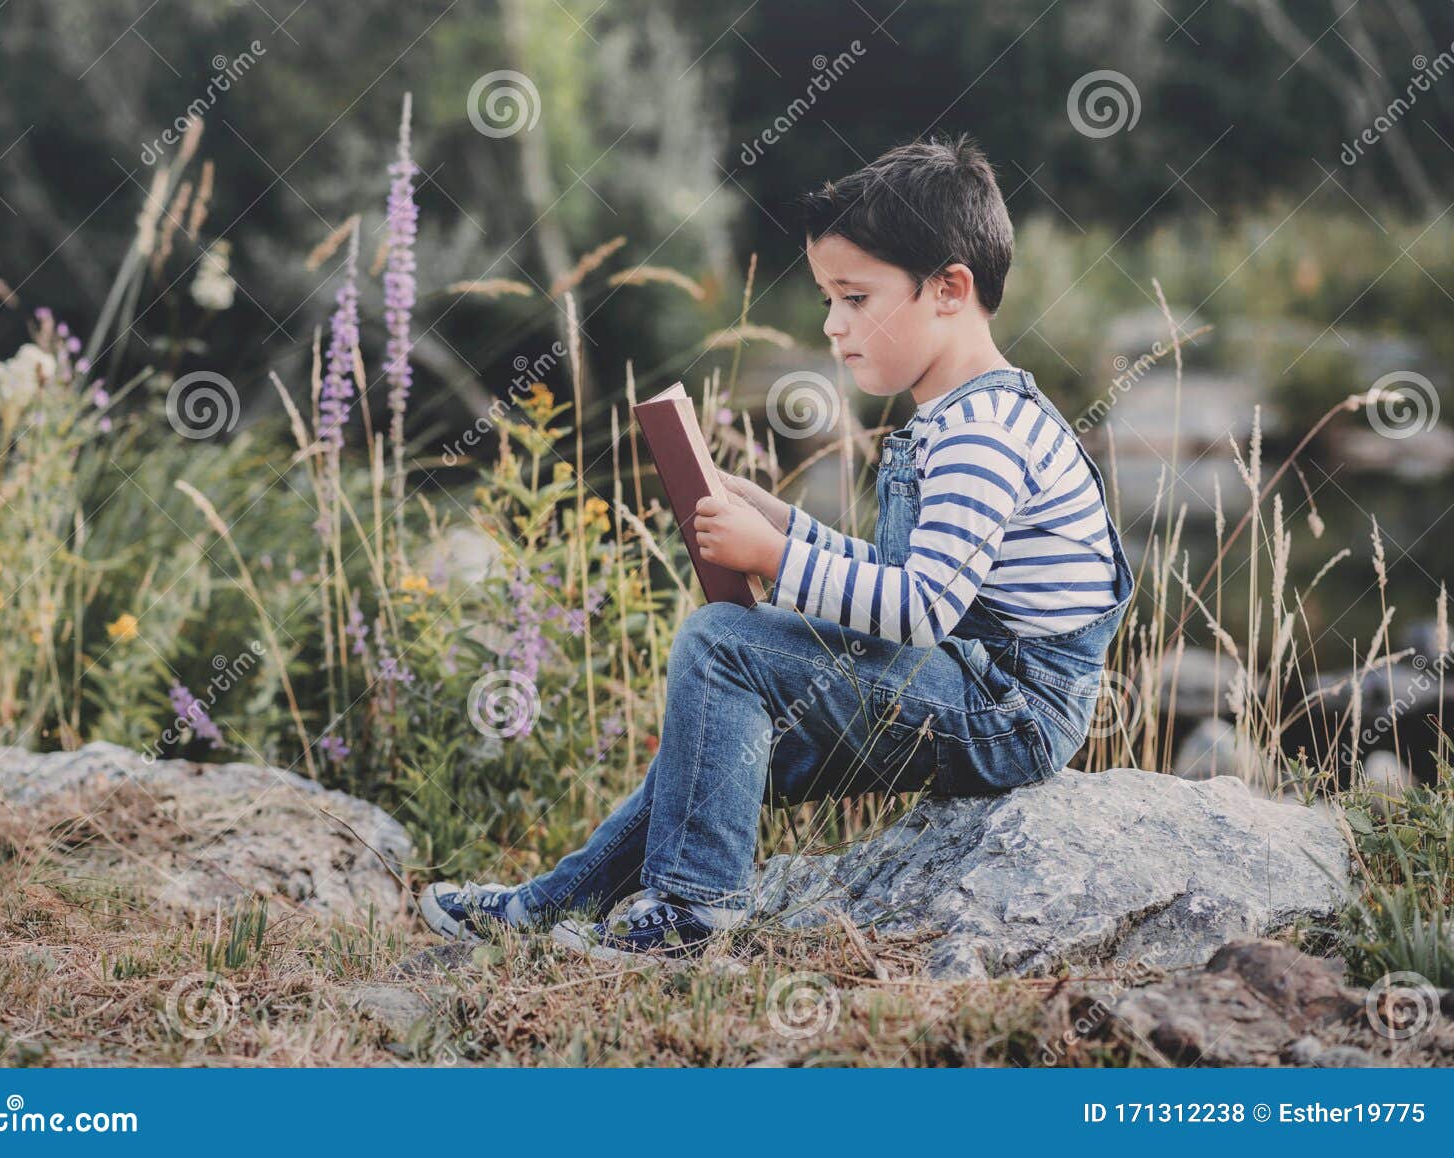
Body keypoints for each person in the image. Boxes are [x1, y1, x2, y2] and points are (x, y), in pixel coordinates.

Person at [420, 133, 1136, 961]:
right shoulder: (952, 417)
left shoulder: (982, 432)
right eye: (828, 298)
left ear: (949, 289)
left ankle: (695, 910)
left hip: (1009, 710)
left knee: (722, 645)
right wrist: (788, 526)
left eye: (855, 297)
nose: (832, 325)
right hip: (968, 679)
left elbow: (924, 610)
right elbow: (911, 580)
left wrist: (772, 560)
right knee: (712, 739)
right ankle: (553, 904)